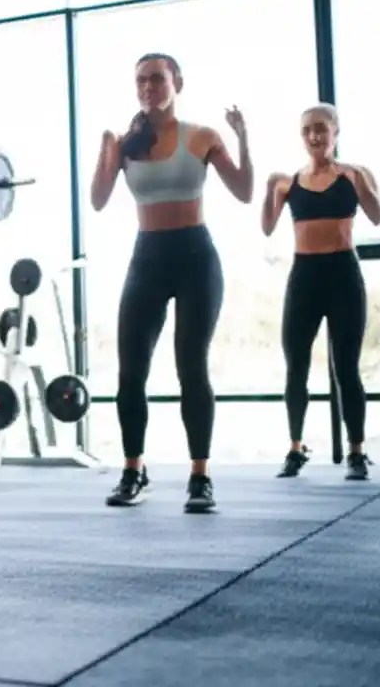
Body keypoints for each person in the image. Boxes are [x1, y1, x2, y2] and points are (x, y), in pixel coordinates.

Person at [89, 53, 254, 513]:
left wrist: (243, 139)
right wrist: (107, 148)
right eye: (141, 80)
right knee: (130, 371)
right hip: (148, 258)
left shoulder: (201, 135)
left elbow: (243, 191)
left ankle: (200, 477)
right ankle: (133, 469)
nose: (148, 87)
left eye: (157, 79)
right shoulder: (125, 143)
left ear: (176, 81)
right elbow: (99, 201)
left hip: (196, 258)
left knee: (191, 366)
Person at [263, 103, 380, 481]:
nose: (314, 136)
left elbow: (378, 215)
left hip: (343, 275)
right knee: (295, 366)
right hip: (305, 278)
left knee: (346, 366)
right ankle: (295, 448)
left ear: (335, 132)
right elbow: (267, 227)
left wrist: (359, 180)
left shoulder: (355, 175)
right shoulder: (288, 182)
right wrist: (270, 189)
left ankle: (357, 453)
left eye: (321, 129)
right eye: (307, 130)